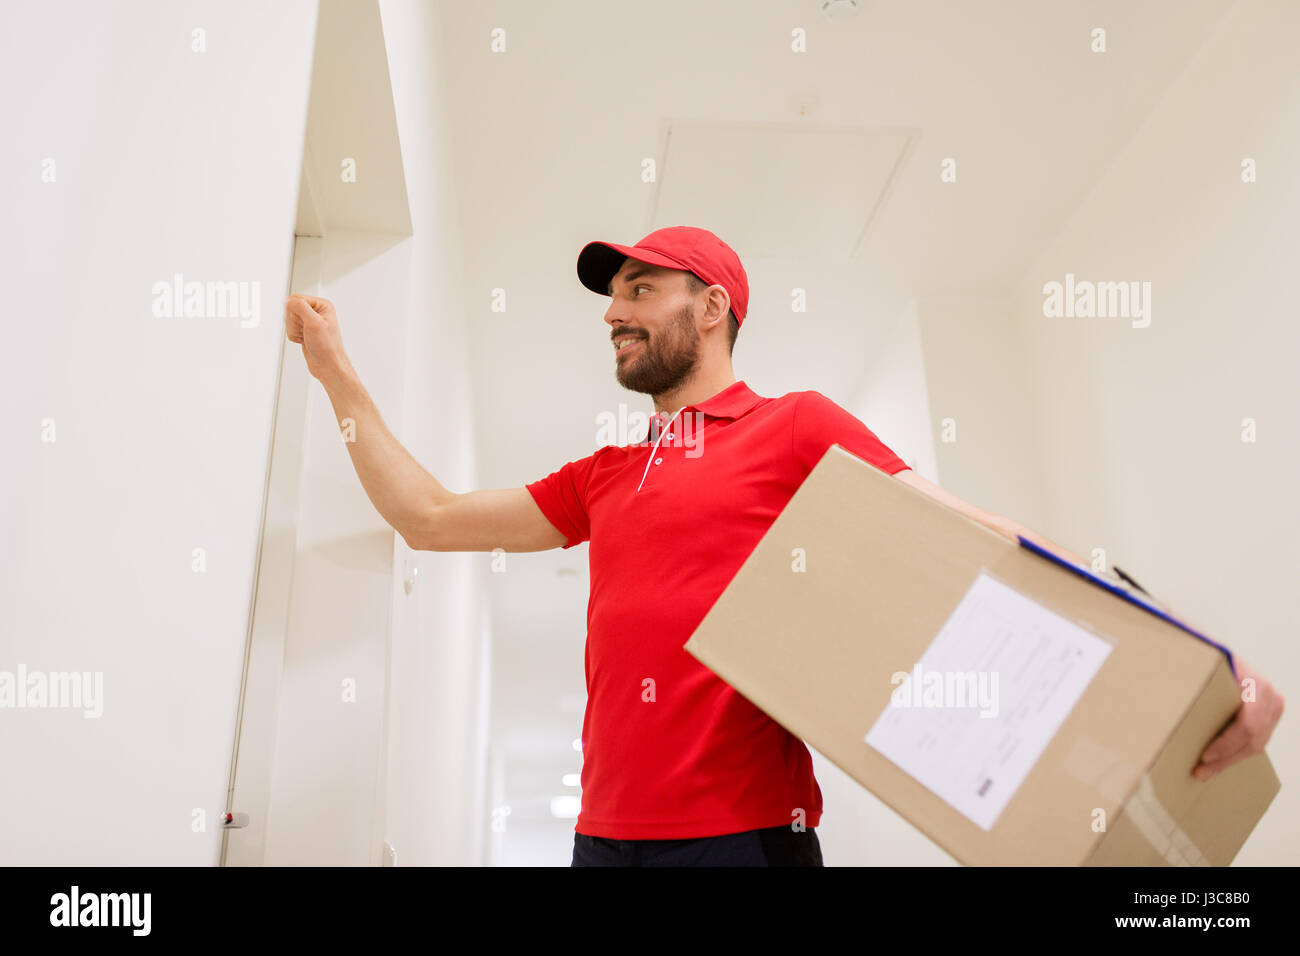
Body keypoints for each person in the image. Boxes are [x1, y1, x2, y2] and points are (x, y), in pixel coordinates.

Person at [284, 226, 1284, 867]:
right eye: (612, 295)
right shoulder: (602, 475)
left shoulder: (793, 427)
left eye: (638, 288)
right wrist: (334, 369)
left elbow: (973, 531)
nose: (612, 311)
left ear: (710, 307)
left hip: (742, 840)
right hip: (599, 839)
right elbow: (428, 516)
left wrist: (1190, 651)